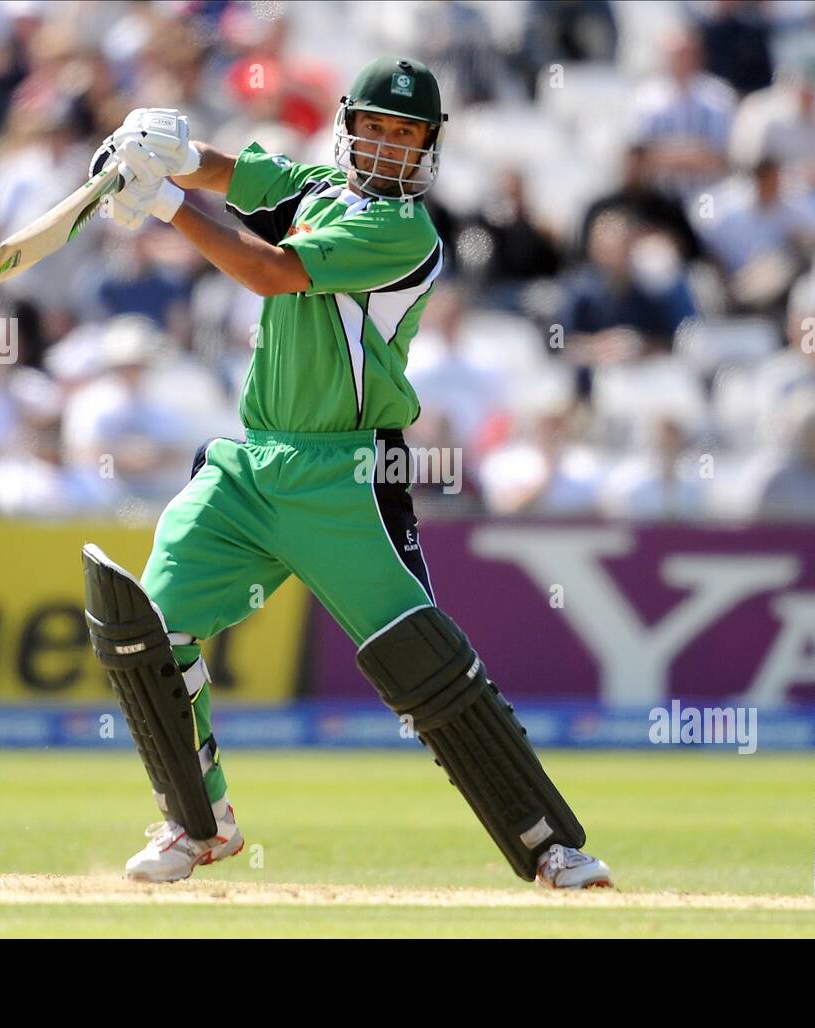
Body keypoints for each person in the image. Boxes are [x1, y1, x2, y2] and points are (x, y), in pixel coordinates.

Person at [78, 58, 613, 890]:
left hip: (346, 473)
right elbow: (234, 172)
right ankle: (198, 824)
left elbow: (271, 270)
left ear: (430, 147)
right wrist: (159, 146)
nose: (392, 147)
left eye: (409, 134)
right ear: (350, 126)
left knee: (423, 666)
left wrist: (165, 203)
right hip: (251, 464)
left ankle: (552, 847)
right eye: (379, 127)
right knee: (148, 630)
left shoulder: (406, 235)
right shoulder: (319, 186)